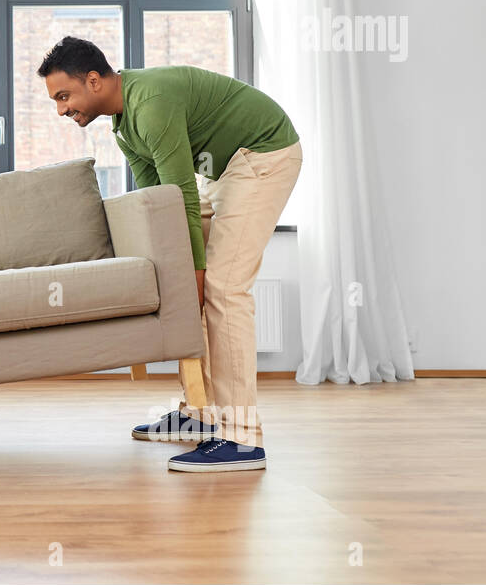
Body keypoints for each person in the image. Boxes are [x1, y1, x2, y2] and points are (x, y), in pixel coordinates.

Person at [38, 36, 302, 473]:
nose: (61, 110)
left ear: (94, 80)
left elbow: (183, 196)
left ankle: (241, 437)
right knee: (188, 284)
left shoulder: (151, 104)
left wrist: (194, 277)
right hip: (224, 170)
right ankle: (200, 414)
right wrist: (175, 277)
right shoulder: (124, 130)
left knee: (222, 287)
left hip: (263, 155)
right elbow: (161, 206)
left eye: (64, 96)